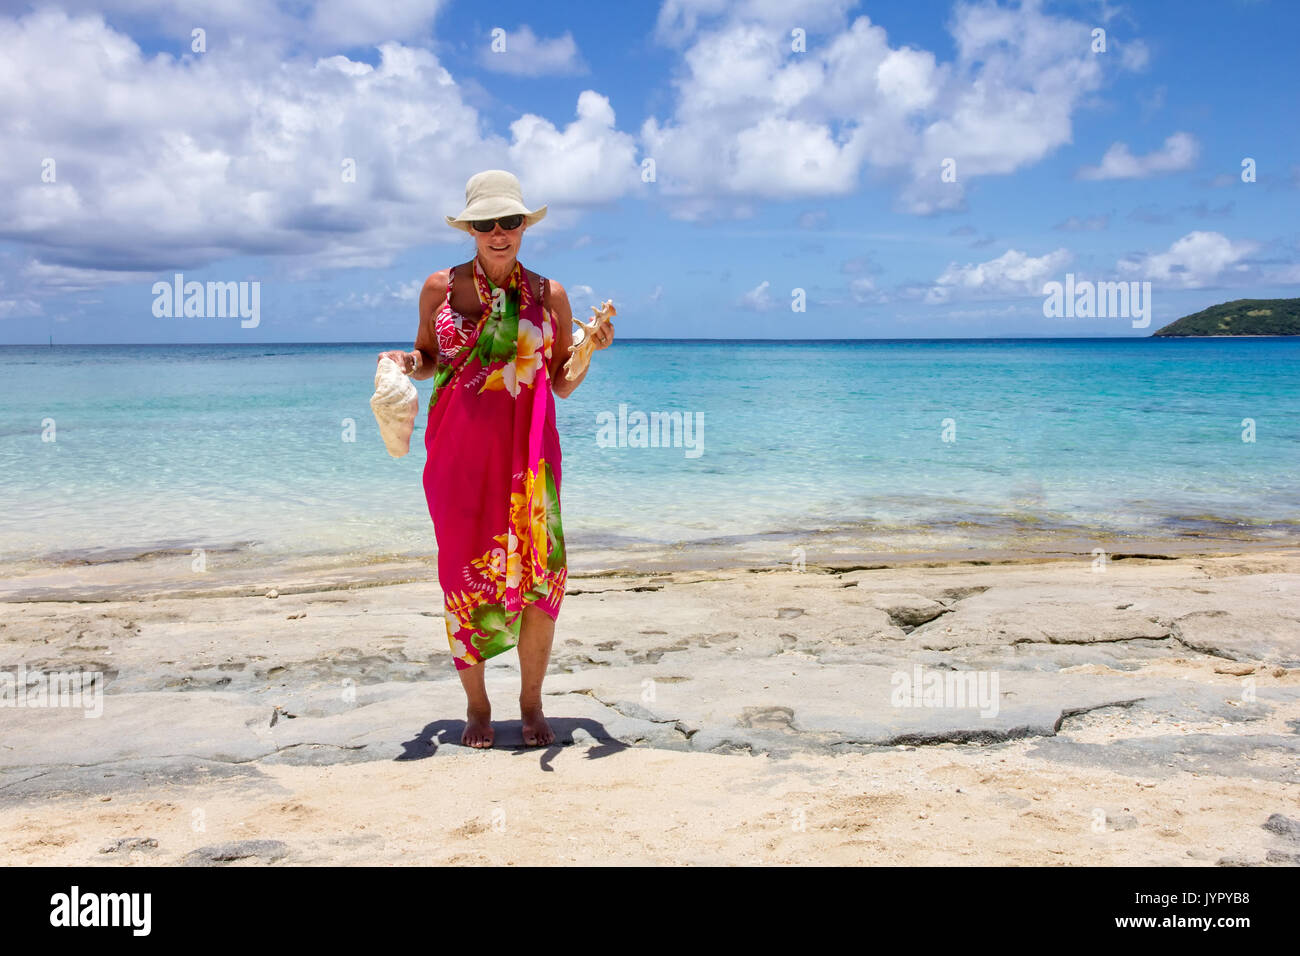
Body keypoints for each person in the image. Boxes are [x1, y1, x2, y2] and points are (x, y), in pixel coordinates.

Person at [377, 169, 613, 748]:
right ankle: (478, 707)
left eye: (510, 221)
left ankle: (531, 704)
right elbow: (431, 358)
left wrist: (588, 352)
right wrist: (406, 364)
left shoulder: (549, 295)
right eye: (487, 224)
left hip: (530, 462)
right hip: (458, 458)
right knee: (463, 575)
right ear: (472, 229)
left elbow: (559, 382)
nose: (499, 232)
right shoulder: (440, 287)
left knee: (540, 576)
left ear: (523, 227)